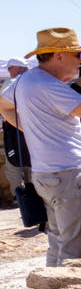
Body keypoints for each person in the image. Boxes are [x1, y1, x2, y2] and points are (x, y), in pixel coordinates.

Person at [0, 28, 81, 266]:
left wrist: (30, 126)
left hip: (45, 174)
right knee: (75, 247)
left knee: (58, 240)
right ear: (58, 55)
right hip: (70, 174)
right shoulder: (50, 87)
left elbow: (3, 104)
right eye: (77, 55)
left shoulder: (24, 81)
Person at [1, 59, 28, 202]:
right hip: (31, 125)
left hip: (13, 127)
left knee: (13, 164)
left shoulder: (10, 84)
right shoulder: (32, 81)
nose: (9, 71)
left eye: (10, 68)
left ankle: (19, 197)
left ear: (17, 68)